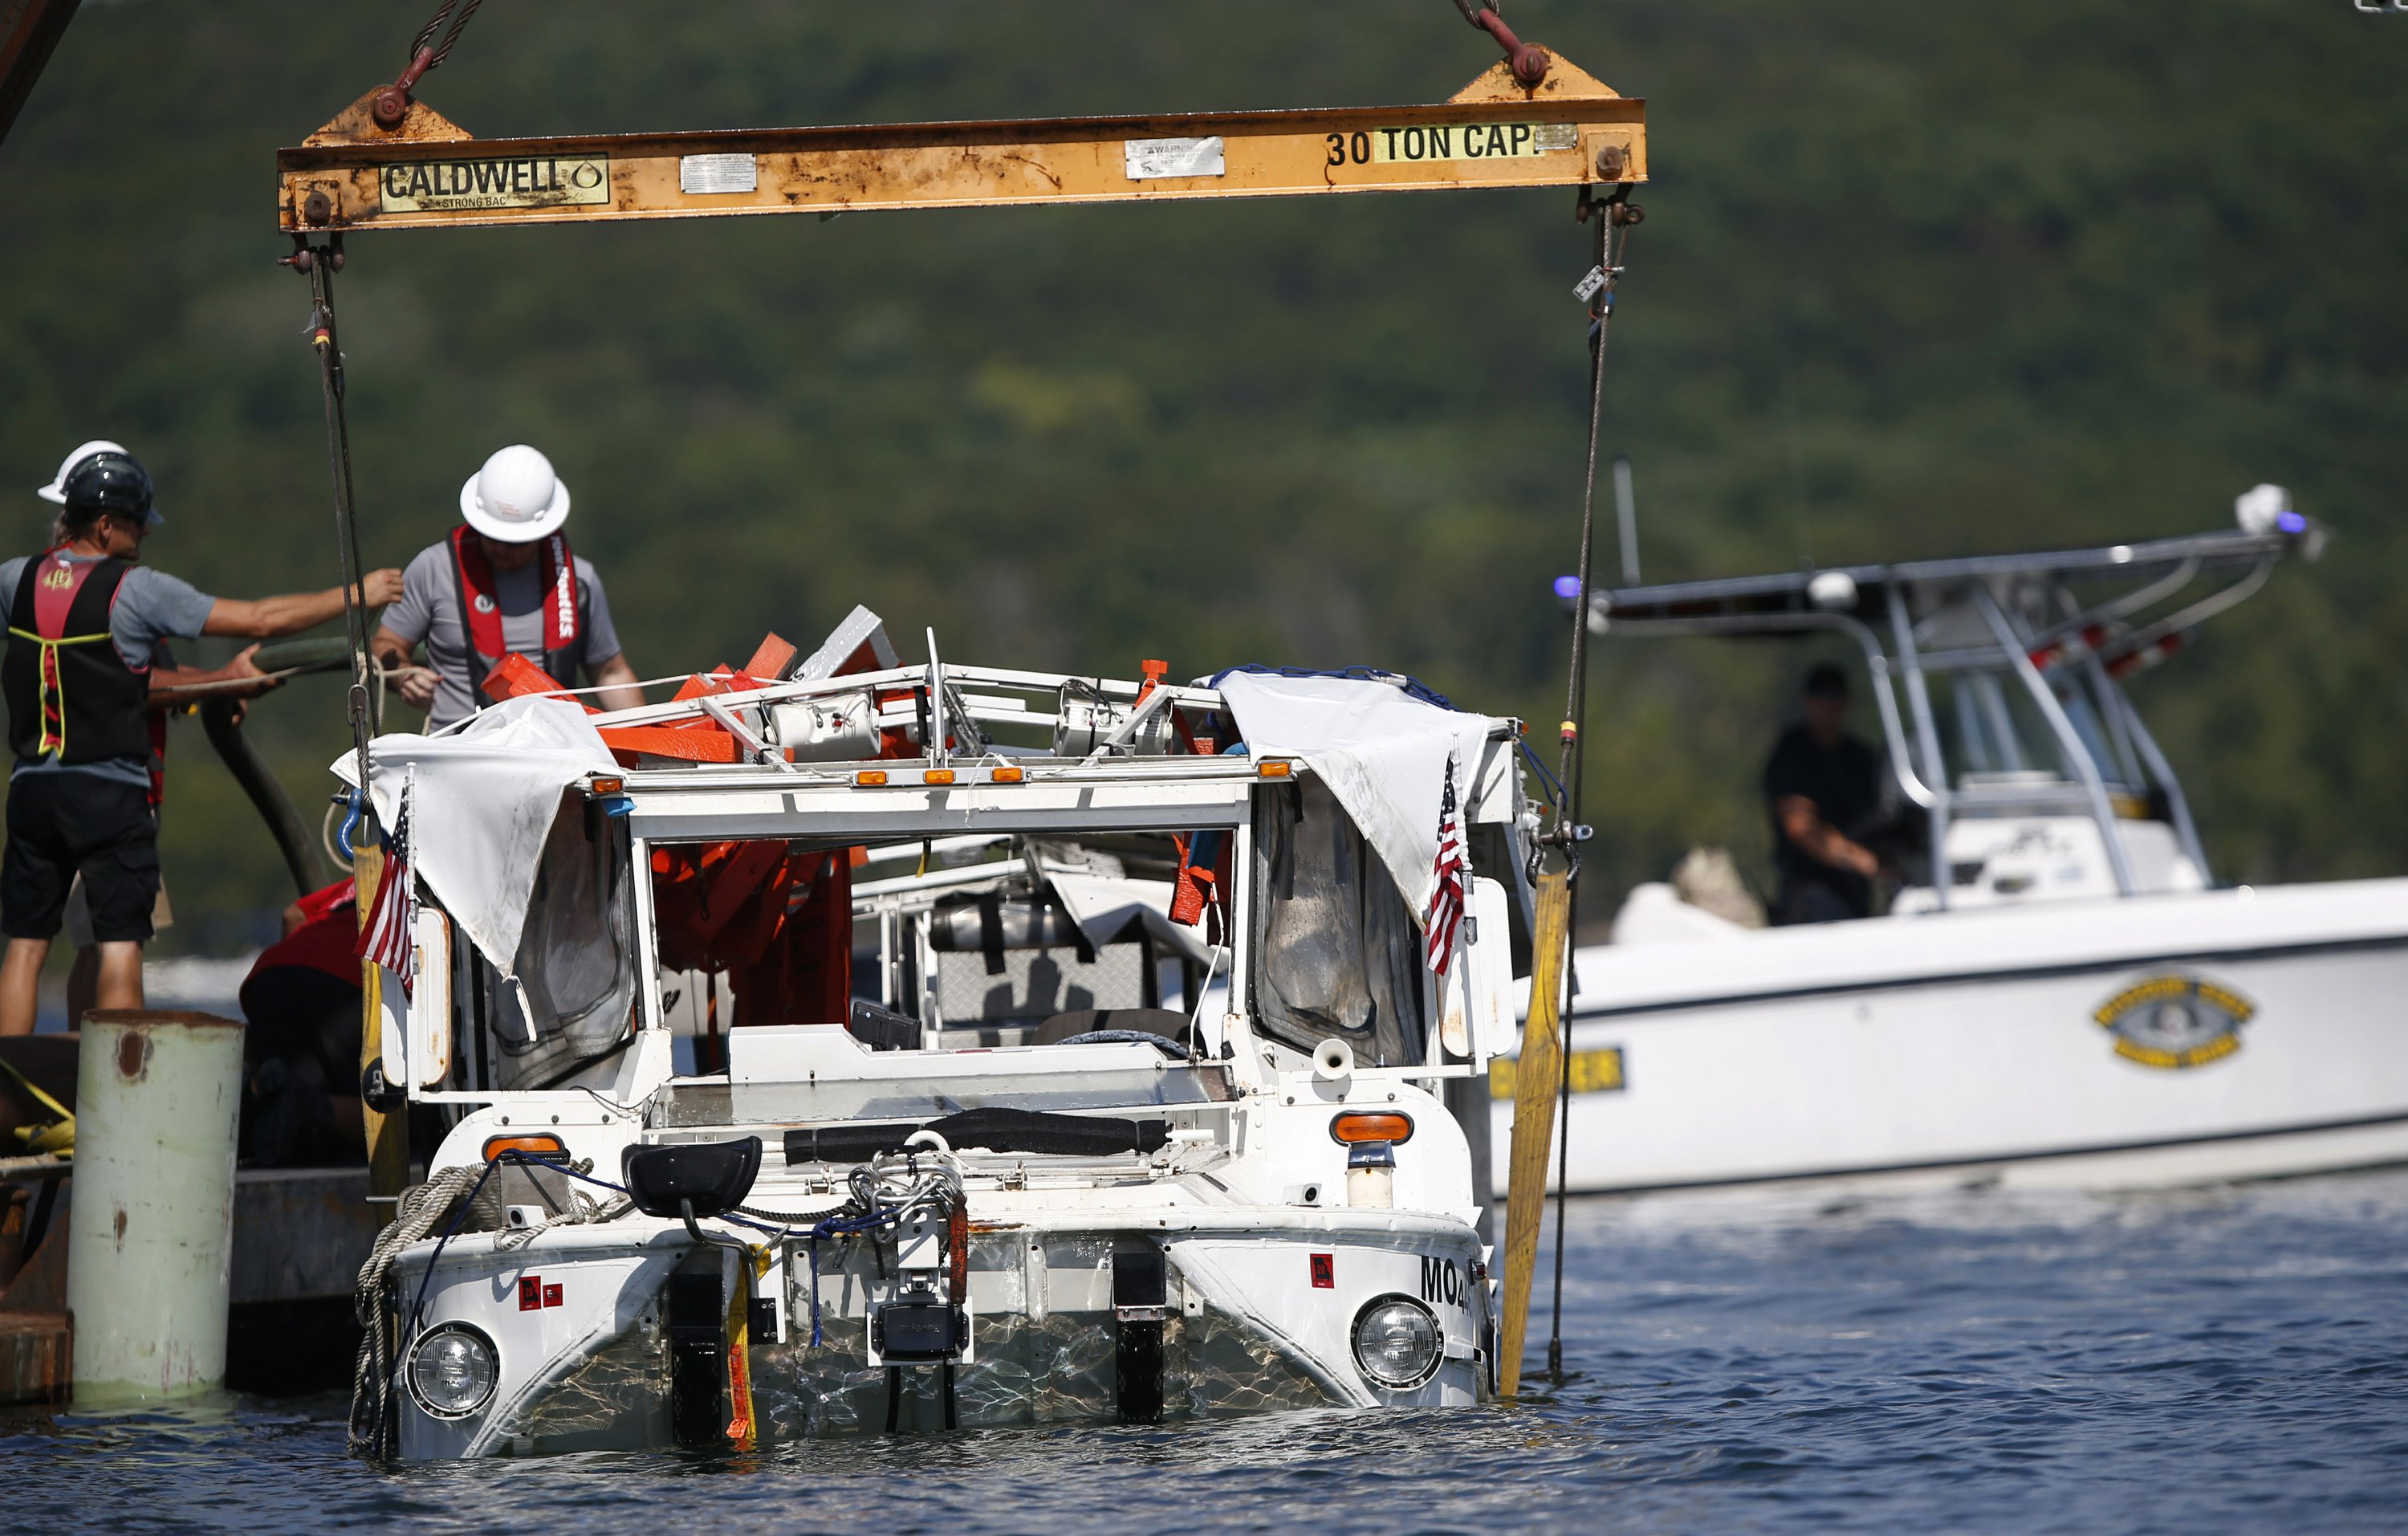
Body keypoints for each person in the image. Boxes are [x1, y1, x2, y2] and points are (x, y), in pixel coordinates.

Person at [0, 446, 404, 1035]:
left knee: (26, 945)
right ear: (105, 524)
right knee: (119, 943)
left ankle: (13, 1079)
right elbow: (261, 619)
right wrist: (357, 594)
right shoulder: (135, 590)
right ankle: (118, 1083)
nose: (143, 534)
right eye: (136, 523)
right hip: (110, 791)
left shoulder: (16, 578)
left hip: (32, 787)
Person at [372, 444, 643, 729]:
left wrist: (649, 742)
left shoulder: (579, 580)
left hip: (556, 747)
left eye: (515, 541)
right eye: (492, 535)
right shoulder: (433, 568)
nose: (501, 548)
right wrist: (405, 676)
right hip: (457, 746)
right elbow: (384, 646)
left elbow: (610, 673)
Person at [1763, 662, 1886, 923]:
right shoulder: (1791, 754)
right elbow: (1801, 827)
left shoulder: (1860, 756)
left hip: (1857, 889)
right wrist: (1859, 859)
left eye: (1836, 696)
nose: (1830, 704)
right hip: (1809, 891)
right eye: (1822, 696)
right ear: (1807, 701)